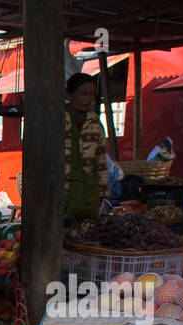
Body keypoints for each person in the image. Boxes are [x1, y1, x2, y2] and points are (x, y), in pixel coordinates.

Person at [64, 72, 108, 224]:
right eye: (83, 94)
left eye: (91, 94)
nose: (88, 99)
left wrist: (103, 191)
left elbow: (101, 160)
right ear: (69, 95)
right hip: (59, 190)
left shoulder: (95, 124)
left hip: (86, 192)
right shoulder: (57, 119)